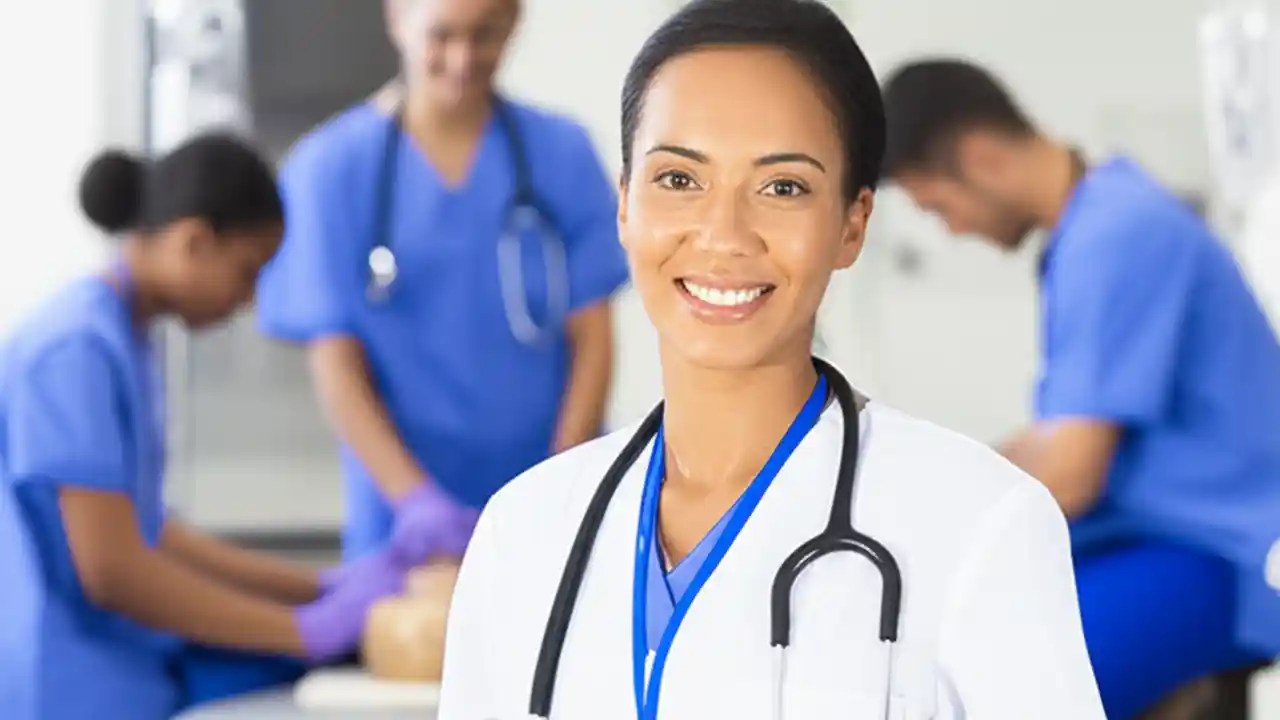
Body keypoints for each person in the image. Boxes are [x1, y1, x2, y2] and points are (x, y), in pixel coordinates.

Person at [437, 2, 1106, 718]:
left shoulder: (982, 524)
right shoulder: (524, 533)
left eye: (782, 187)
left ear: (853, 223)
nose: (724, 235)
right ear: (624, 205)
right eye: (678, 179)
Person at [881, 58, 1280, 719]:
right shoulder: (1097, 221)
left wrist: (925, 534)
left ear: (979, 159)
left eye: (939, 207)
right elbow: (1054, 437)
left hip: (1220, 557)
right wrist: (925, 483)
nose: (950, 229)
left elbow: (1069, 476)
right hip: (1163, 539)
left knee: (996, 687)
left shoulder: (1116, 234)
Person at [0, 135, 408, 720]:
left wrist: (316, 588)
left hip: (113, 670)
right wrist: (301, 631)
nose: (247, 301)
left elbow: (151, 530)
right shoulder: (74, 349)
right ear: (194, 240)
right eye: (247, 273)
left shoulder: (123, 338)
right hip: (57, 685)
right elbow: (113, 570)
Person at [254, 0, 630, 565]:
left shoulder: (562, 153)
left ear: (514, 25)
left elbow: (593, 337)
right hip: (400, 506)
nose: (462, 59)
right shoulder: (328, 169)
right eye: (442, 36)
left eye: (484, 36)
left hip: (549, 488)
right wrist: (415, 501)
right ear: (396, 20)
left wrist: (565, 483)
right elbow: (334, 361)